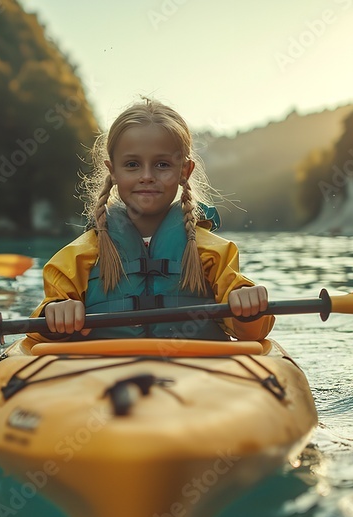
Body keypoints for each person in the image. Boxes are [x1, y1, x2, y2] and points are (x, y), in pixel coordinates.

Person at [31, 98, 273, 341]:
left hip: (194, 370)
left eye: (162, 164)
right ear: (113, 171)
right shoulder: (76, 257)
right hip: (104, 371)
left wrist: (247, 308)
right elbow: (37, 335)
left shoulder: (214, 252)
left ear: (184, 171)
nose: (147, 176)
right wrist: (54, 313)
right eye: (132, 164)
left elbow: (252, 332)